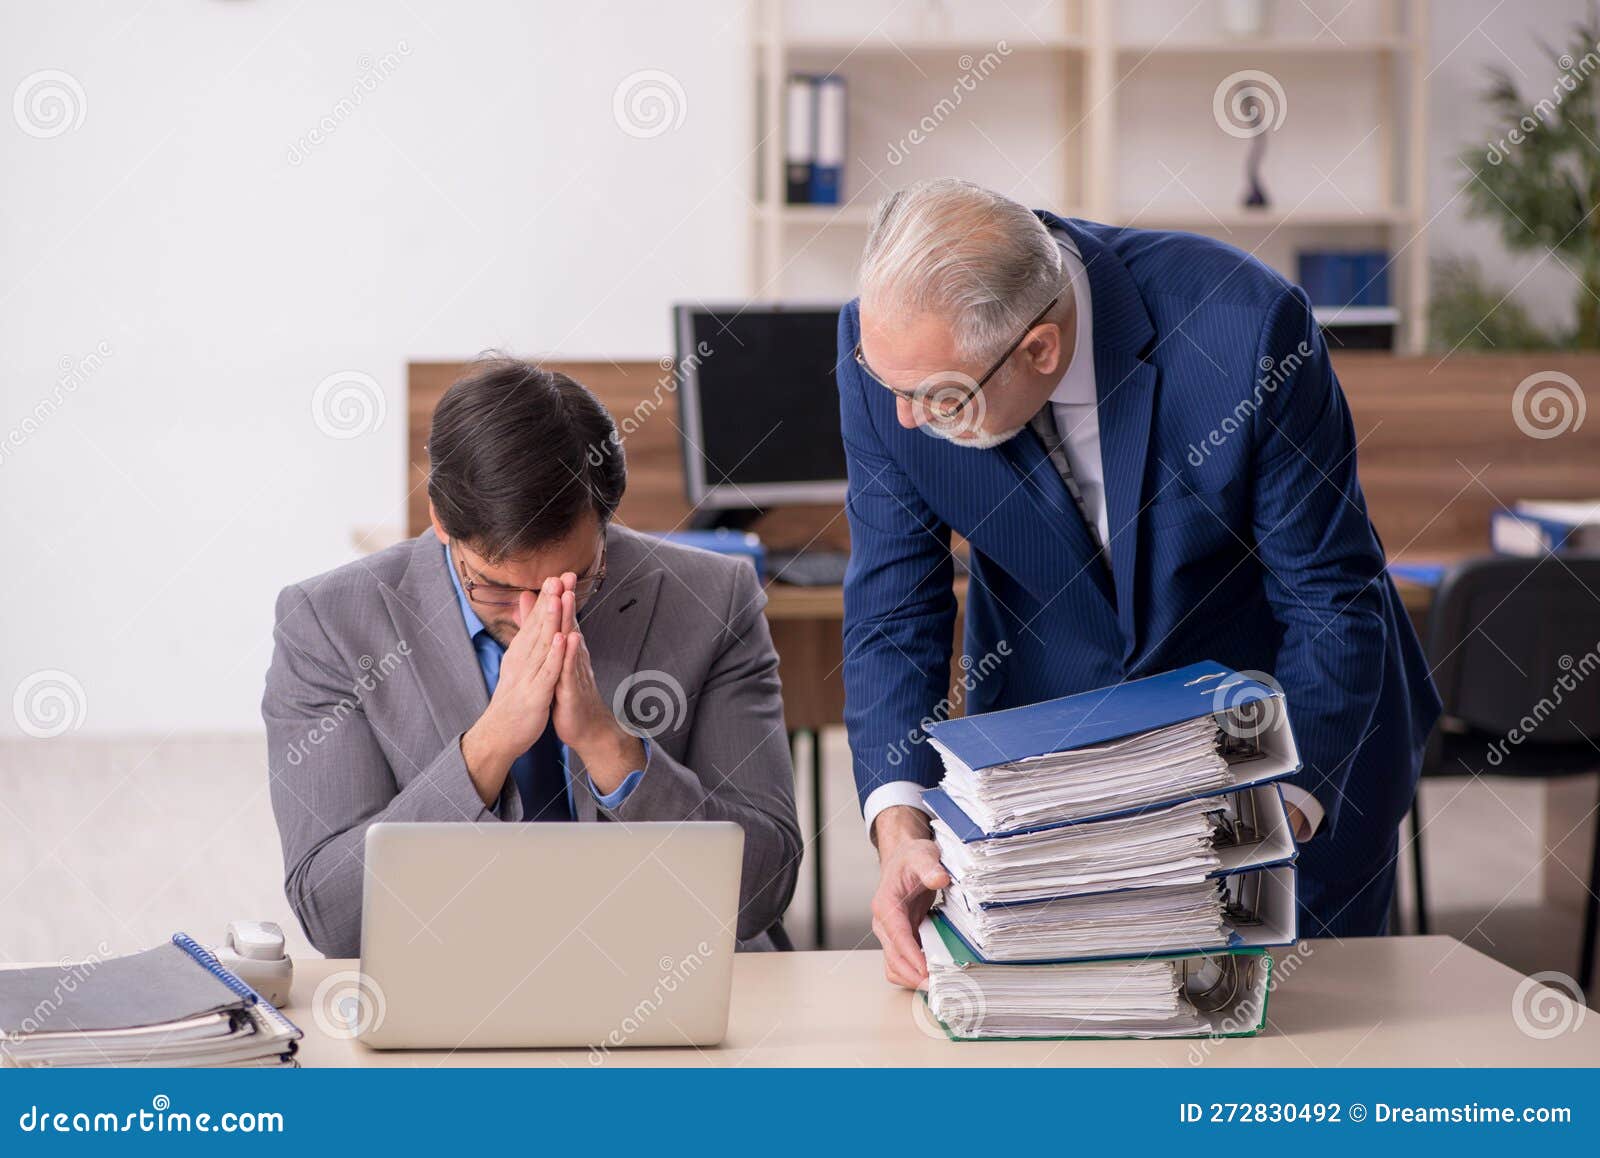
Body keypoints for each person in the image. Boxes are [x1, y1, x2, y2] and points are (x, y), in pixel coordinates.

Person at [838, 178, 1441, 988]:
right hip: (1052, 754)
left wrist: (1279, 814)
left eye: (937, 398)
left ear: (1039, 350)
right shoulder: (893, 356)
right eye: (894, 390)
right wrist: (901, 826)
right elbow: (891, 608)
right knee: (1071, 1034)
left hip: (1288, 740)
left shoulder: (1245, 330)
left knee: (1293, 1042)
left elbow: (1332, 600)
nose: (907, 418)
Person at [263, 357, 801, 957]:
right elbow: (336, 919)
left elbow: (763, 891)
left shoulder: (713, 599)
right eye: (493, 586)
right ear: (440, 518)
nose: (531, 618)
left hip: (668, 966)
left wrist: (611, 748)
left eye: (572, 581)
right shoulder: (328, 623)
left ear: (605, 522)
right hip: (456, 971)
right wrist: (487, 747)